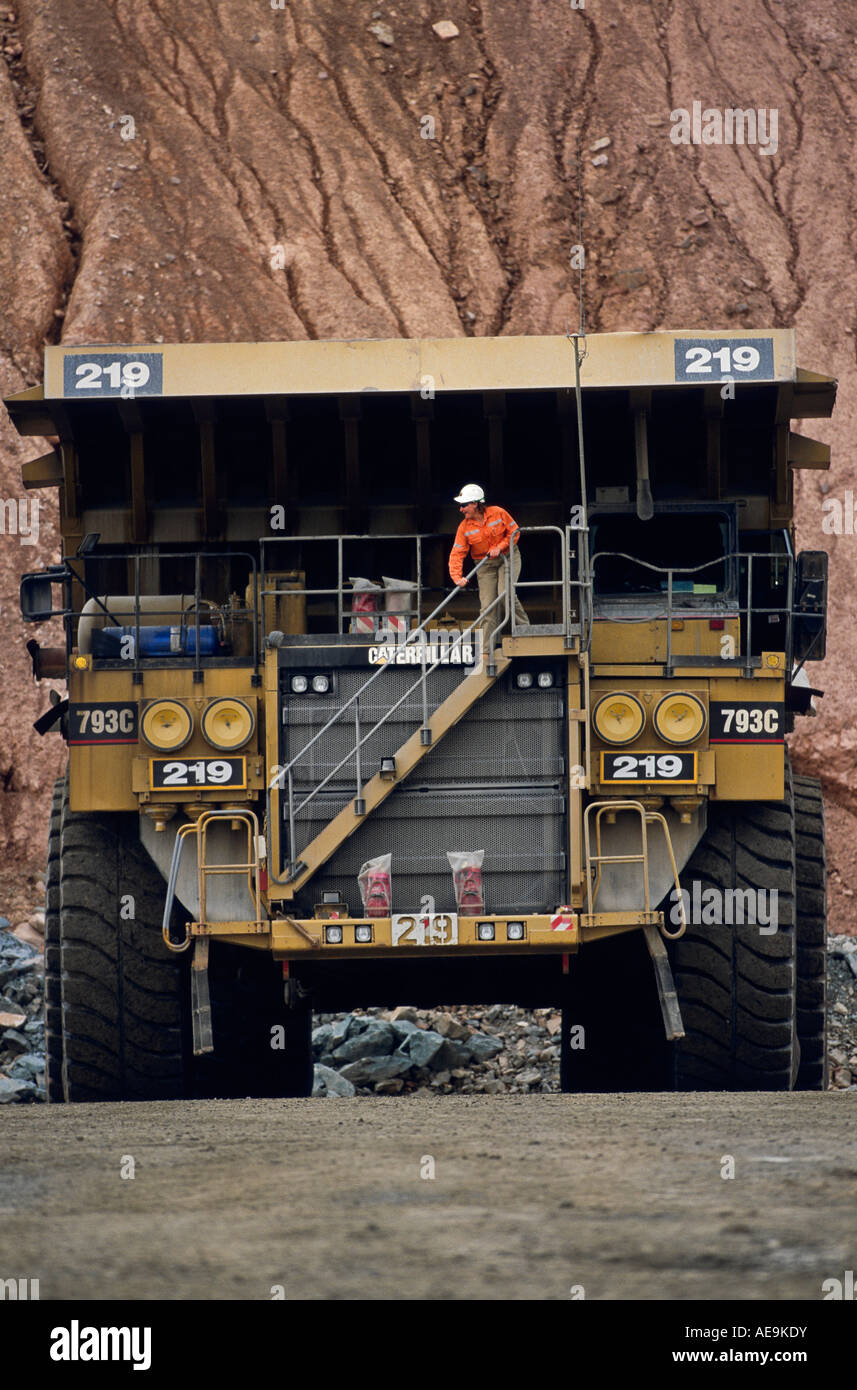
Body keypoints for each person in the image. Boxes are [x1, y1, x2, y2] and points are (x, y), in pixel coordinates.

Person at [448, 483, 528, 647]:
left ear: (475, 504)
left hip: (508, 557)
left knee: (505, 594)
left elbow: (515, 532)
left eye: (464, 505)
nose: (461, 509)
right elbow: (457, 553)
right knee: (487, 606)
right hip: (485, 565)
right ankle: (486, 649)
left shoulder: (498, 513)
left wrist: (500, 547)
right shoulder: (464, 528)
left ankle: (526, 632)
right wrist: (457, 578)